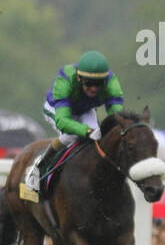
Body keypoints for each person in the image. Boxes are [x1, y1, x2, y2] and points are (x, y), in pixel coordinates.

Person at [31, 50, 127, 187]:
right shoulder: (66, 78)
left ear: (105, 81)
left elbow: (117, 115)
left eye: (98, 84)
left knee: (99, 138)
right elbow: (63, 121)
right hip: (57, 109)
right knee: (71, 136)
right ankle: (41, 166)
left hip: (85, 110)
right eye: (89, 83)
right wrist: (87, 131)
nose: (93, 89)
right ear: (79, 78)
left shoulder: (111, 82)